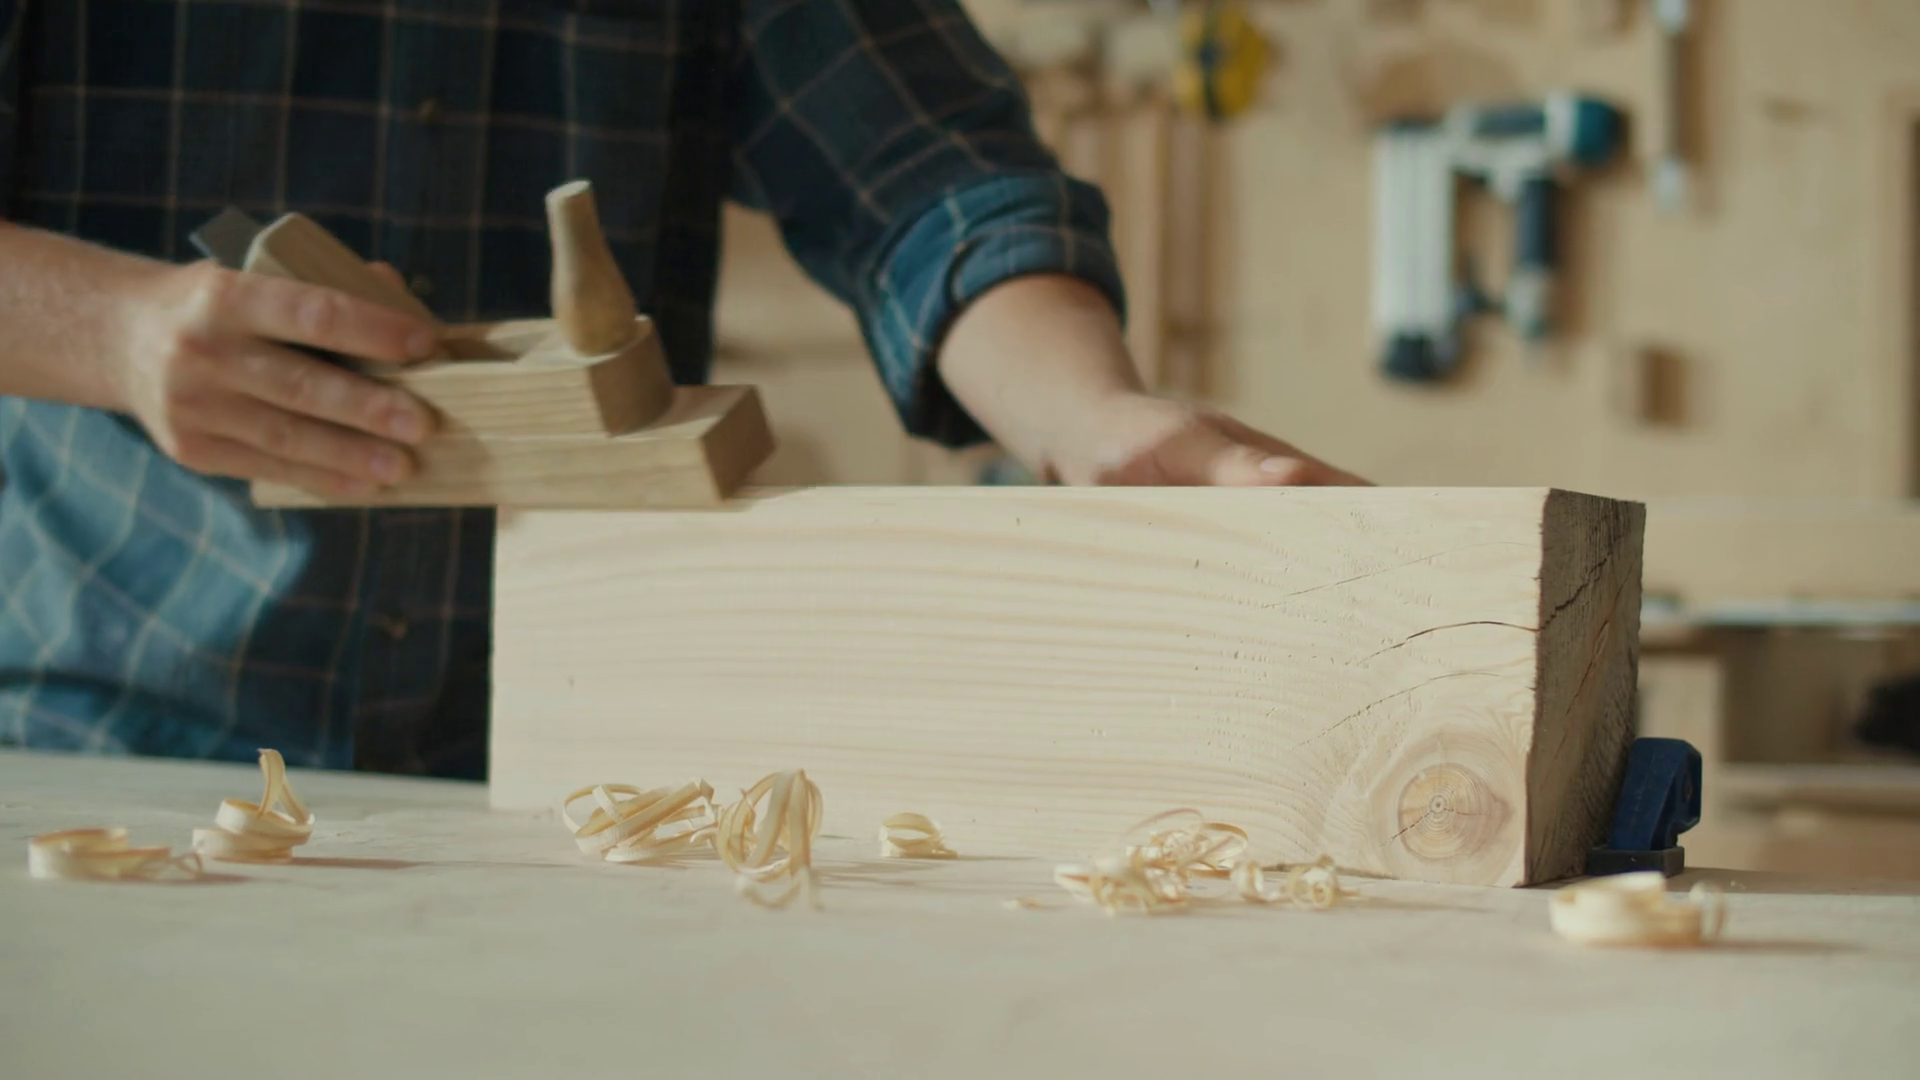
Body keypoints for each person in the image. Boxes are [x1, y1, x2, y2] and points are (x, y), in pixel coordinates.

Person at [0, 1, 1361, 780]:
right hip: (112, 737)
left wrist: (1083, 415)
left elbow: (925, 172)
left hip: (591, 755)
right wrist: (112, 329)